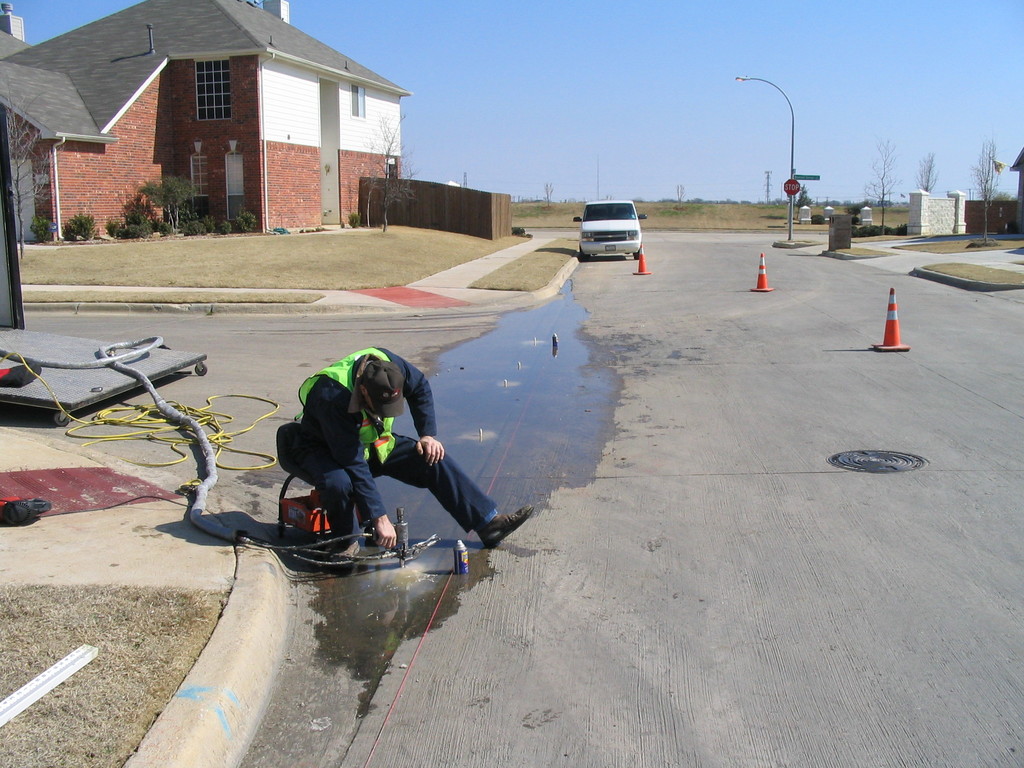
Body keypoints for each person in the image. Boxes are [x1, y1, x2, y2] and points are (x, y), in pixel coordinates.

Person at [293, 346, 534, 557]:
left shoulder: (391, 366)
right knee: (339, 483)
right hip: (323, 448)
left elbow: (420, 388)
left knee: (433, 459)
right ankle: (345, 543)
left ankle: (488, 524)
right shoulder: (332, 395)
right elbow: (352, 462)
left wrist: (427, 435)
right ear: (364, 391)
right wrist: (379, 517)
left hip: (371, 445)